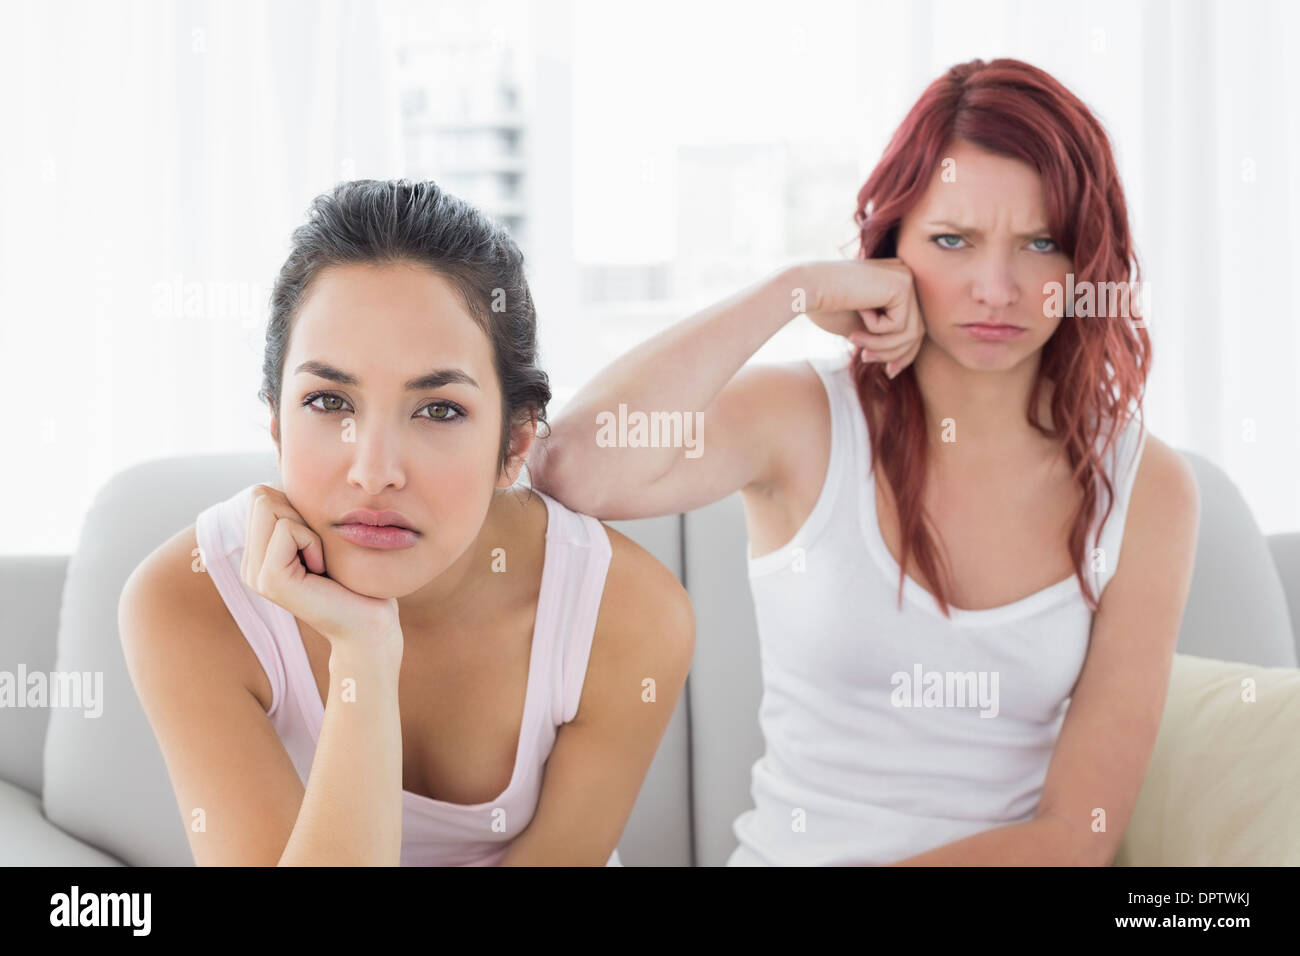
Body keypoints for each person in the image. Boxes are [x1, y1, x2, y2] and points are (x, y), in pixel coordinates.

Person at [528, 57, 1199, 866]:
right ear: (894, 246)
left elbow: (1073, 837)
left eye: (1041, 243)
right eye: (952, 240)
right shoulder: (805, 421)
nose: (996, 287)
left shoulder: (1148, 488)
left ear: (1085, 260)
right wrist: (795, 289)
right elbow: (573, 467)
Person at [119, 179, 694, 866]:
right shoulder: (188, 601)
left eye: (439, 410)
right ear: (275, 422)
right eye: (329, 401)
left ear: (514, 444)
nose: (374, 470)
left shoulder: (626, 615)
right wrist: (363, 651)